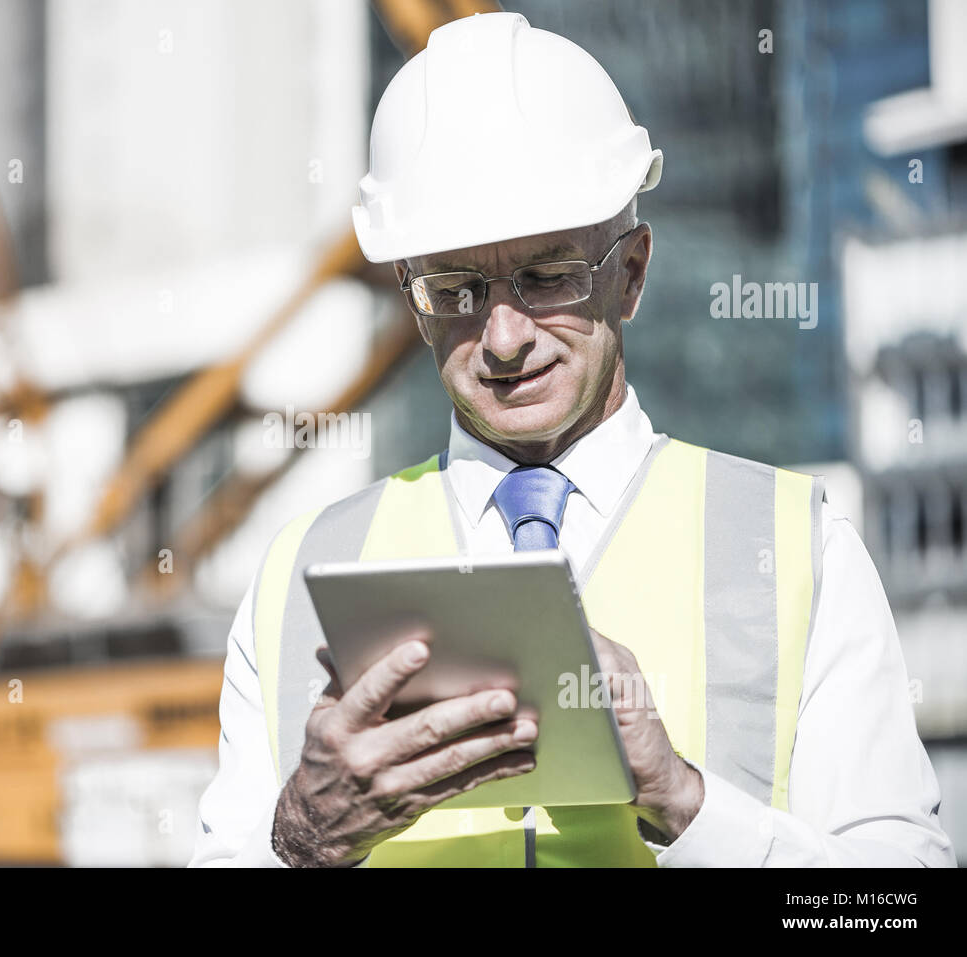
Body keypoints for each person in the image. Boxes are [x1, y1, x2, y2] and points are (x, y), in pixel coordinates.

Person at [188, 11, 955, 867]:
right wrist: (301, 837)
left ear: (629, 273)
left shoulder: (795, 548)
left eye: (549, 275)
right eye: (456, 288)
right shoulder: (297, 575)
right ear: (412, 297)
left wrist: (687, 801)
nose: (505, 336)